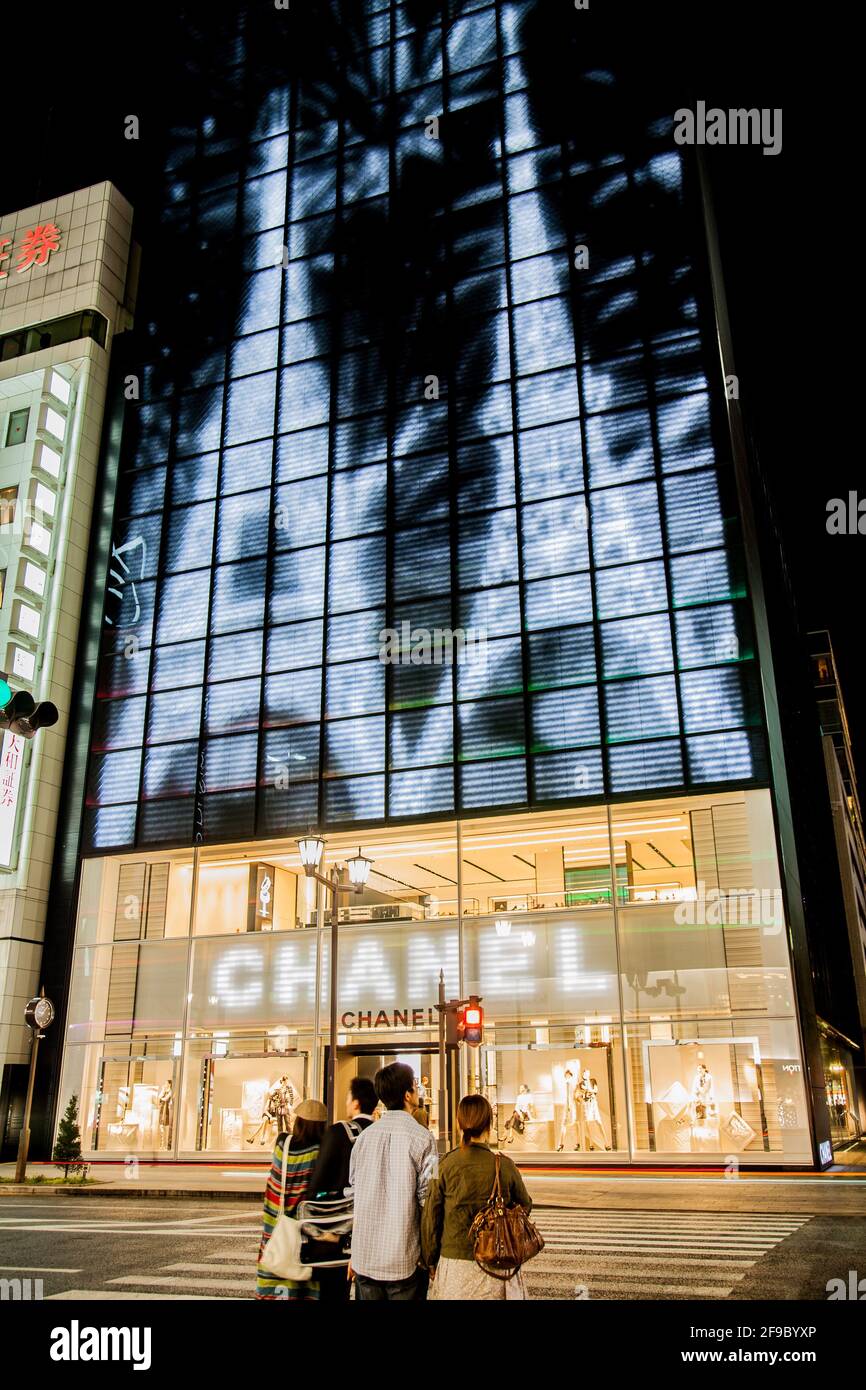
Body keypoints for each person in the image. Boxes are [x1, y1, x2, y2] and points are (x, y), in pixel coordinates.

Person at [422, 1094, 532, 1301]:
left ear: (459, 1124)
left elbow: (431, 1216)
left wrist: (430, 1259)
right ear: (489, 1124)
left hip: (454, 1264)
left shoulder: (443, 1164)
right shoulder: (505, 1165)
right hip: (498, 1264)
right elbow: (525, 1205)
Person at [348, 1061, 437, 1300]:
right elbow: (427, 1198)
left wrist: (353, 1252)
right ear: (408, 1095)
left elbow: (354, 1192)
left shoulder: (363, 1139)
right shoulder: (423, 1139)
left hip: (365, 1256)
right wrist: (430, 1254)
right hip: (403, 1258)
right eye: (415, 1086)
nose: (417, 1091)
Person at [307, 1077, 378, 1303]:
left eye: (348, 1097)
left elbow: (318, 1182)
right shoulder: (380, 1132)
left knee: (332, 1292)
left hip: (337, 1230)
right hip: (374, 1231)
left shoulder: (337, 1132)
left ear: (356, 1103)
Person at [255, 1098, 327, 1300]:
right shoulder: (319, 1152)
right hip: (305, 1234)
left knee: (275, 1276)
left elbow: (273, 1184)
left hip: (276, 1227)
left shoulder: (282, 1144)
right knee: (304, 1285)